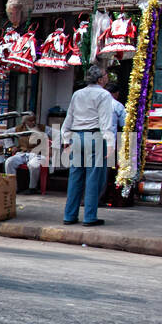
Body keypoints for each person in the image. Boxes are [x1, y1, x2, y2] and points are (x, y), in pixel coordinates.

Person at [61, 64, 115, 226]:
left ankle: (69, 216)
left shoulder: (77, 94)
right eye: (105, 76)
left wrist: (65, 139)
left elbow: (68, 118)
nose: (107, 78)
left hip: (76, 137)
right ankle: (89, 217)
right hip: (95, 136)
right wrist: (110, 143)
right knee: (93, 178)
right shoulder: (104, 95)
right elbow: (106, 122)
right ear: (100, 79)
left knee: (75, 177)